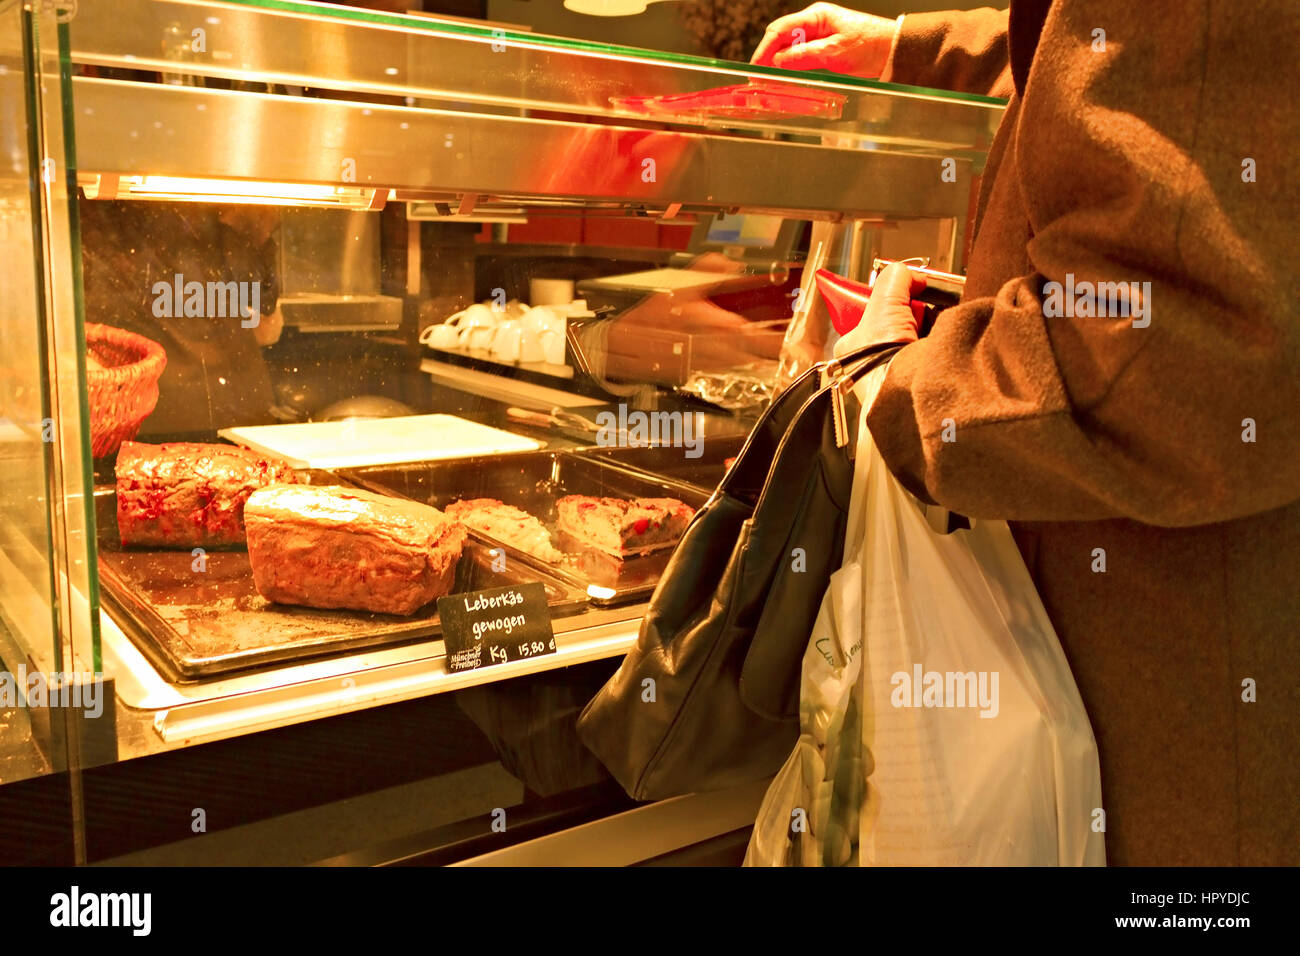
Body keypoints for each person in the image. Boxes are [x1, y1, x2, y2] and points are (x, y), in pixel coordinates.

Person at [753, 2, 1299, 865]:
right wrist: (907, 46)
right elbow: (1119, 49)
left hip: (1173, 698)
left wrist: (904, 385)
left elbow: (1181, 345)